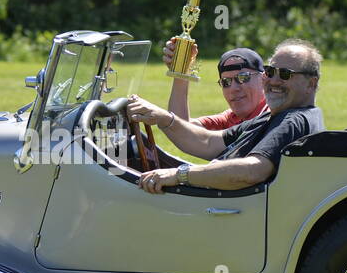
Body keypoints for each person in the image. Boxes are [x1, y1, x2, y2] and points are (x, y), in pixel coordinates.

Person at [127, 39, 325, 193]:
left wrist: (180, 174)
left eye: (285, 74)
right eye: (271, 71)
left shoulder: (292, 120)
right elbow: (207, 142)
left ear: (311, 84)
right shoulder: (273, 116)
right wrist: (163, 118)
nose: (274, 80)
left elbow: (252, 171)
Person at [161, 39, 269, 130]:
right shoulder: (230, 119)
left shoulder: (276, 117)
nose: (233, 88)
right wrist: (181, 72)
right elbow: (182, 130)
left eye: (243, 78)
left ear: (263, 79)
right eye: (226, 82)